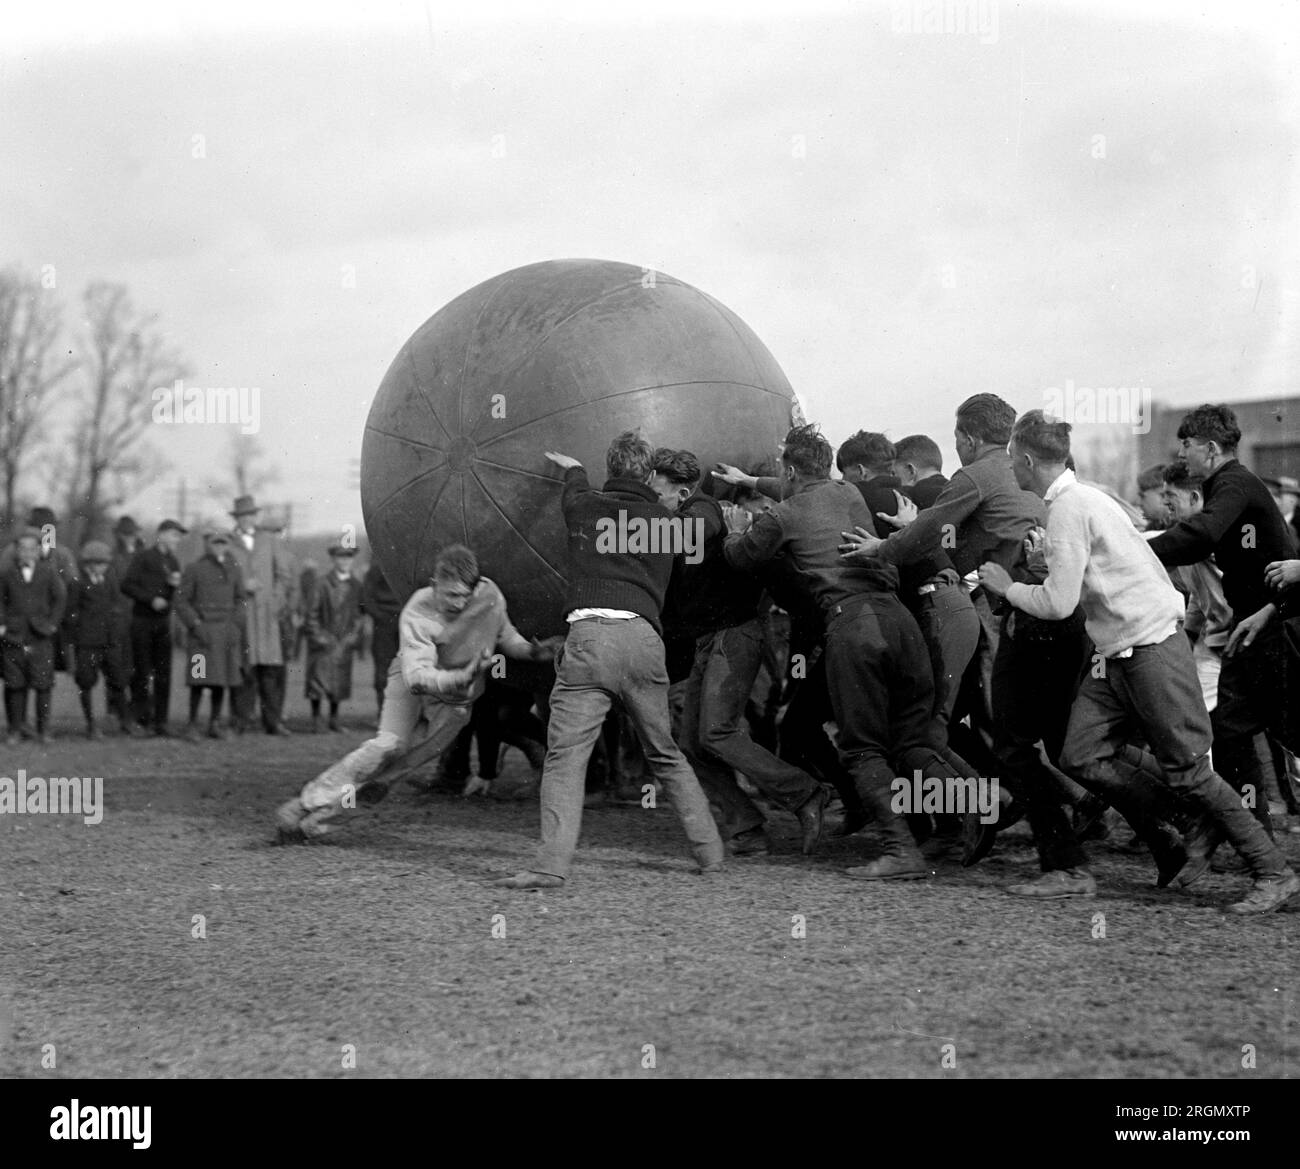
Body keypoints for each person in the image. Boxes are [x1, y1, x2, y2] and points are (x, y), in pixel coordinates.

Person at [978, 409, 1298, 914]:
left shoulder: (1068, 508)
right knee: (1080, 753)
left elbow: (1059, 605)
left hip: (1149, 646)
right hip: (1120, 652)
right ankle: (1184, 815)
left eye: (1012, 463)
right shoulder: (1085, 500)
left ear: (1024, 458)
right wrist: (1052, 568)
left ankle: (1273, 872)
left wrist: (1007, 587)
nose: (1010, 472)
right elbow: (1096, 572)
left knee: (1191, 770)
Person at [723, 424, 972, 881]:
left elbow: (741, 559)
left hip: (853, 626)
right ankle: (980, 799)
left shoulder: (784, 515)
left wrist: (735, 530)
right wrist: (753, 482)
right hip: (900, 619)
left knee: (861, 747)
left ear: (792, 469)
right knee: (912, 739)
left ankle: (901, 850)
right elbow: (800, 490)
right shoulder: (849, 493)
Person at [495, 433, 727, 889]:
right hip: (644, 642)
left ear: (610, 470)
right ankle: (710, 853)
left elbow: (575, 488)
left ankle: (550, 866)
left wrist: (573, 467)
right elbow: (709, 524)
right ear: (648, 475)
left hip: (589, 641)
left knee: (565, 759)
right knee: (666, 754)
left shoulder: (584, 508)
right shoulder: (666, 522)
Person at [275, 544, 557, 841]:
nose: (459, 603)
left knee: (394, 772)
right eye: (450, 595)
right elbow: (417, 678)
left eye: (465, 595)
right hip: (414, 684)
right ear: (435, 585)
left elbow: (506, 635)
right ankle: (306, 802)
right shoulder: (417, 611)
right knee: (386, 747)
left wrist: (534, 651)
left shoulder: (489, 595)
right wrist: (462, 676)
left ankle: (316, 826)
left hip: (456, 704)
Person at [656, 447, 828, 858]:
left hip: (734, 637)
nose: (652, 500)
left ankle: (804, 793)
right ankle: (745, 825)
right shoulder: (690, 522)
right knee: (693, 746)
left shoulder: (705, 511)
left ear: (681, 494)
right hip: (709, 641)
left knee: (717, 732)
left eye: (657, 491)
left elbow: (695, 527)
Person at [1148, 405, 1299, 844]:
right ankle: (1258, 840)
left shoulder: (1232, 483)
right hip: (1251, 627)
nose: (1183, 455)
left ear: (1210, 449)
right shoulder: (1227, 484)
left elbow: (1203, 535)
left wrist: (1135, 550)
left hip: (1278, 626)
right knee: (1230, 731)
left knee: (1287, 734)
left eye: (1188, 446)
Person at [226, 495, 293, 736]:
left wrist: (276, 601)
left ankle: (273, 722)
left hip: (267, 616)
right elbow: (226, 578)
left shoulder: (269, 541)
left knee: (270, 671)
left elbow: (284, 576)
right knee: (244, 669)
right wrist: (244, 585)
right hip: (242, 615)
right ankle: (241, 720)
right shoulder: (228, 543)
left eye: (251, 515)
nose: (247, 519)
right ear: (237, 518)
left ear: (256, 516)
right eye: (243, 516)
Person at [175, 528, 247, 741]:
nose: (219, 547)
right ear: (207, 544)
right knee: (198, 680)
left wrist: (235, 626)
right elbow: (181, 600)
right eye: (215, 543)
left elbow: (241, 599)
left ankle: (214, 723)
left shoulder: (234, 569)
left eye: (223, 543)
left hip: (226, 633)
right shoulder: (194, 568)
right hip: (201, 636)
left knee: (220, 680)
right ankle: (192, 725)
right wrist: (195, 624)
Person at [0, 528, 67, 744]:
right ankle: (14, 731)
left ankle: (43, 731)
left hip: (40, 636)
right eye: (22, 549)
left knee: (43, 683)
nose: (27, 553)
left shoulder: (48, 572)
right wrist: (2, 624)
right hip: (14, 636)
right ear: (17, 551)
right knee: (14, 683)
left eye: (32, 548)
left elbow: (60, 598)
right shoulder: (6, 573)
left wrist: (52, 625)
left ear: (39, 550)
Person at [120, 520, 186, 736]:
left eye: (179, 536)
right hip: (142, 622)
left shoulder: (173, 561)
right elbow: (127, 585)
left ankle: (161, 722)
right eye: (174, 535)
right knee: (141, 672)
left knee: (164, 673)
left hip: (163, 623)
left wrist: (173, 588)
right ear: (162, 535)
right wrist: (150, 600)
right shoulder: (143, 557)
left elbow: (173, 594)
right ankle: (140, 720)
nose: (177, 540)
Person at [66, 541, 130, 738]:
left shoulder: (110, 581)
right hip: (87, 643)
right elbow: (71, 615)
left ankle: (125, 722)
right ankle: (91, 724)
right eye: (97, 563)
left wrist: (115, 630)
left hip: (109, 641)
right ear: (88, 564)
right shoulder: (77, 584)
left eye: (104, 563)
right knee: (86, 682)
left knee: (118, 681)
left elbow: (118, 607)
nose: (101, 567)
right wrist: (81, 633)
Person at [304, 544, 364, 732]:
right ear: (333, 560)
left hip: (343, 642)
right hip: (323, 641)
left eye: (348, 558)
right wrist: (321, 638)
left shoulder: (356, 585)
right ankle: (316, 719)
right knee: (318, 681)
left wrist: (351, 638)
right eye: (340, 558)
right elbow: (311, 615)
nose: (345, 561)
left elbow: (359, 616)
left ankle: (334, 719)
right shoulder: (321, 583)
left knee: (339, 681)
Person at [361, 560, 404, 721]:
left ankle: (406, 715)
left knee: (408, 668)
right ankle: (384, 714)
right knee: (383, 670)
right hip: (384, 625)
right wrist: (381, 617)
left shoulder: (411, 563)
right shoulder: (377, 567)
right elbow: (366, 598)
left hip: (406, 623)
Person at [1136, 464, 1171, 531]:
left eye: (1142, 497)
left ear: (1163, 496)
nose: (1139, 503)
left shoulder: (1181, 530)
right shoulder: (1154, 527)